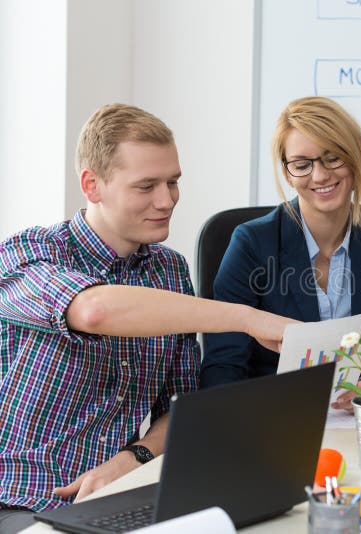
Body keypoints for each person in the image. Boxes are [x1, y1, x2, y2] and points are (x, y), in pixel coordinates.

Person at [0, 103, 294, 529]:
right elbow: (95, 310)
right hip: (20, 499)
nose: (167, 200)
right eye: (146, 186)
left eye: (173, 182)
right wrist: (248, 318)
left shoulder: (169, 271)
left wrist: (131, 458)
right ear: (92, 184)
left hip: (119, 492)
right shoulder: (26, 254)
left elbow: (181, 407)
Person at [199, 96, 361, 399]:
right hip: (274, 415)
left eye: (333, 157)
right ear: (287, 172)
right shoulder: (251, 243)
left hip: (357, 419)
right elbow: (222, 368)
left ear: (355, 157)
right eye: (302, 164)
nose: (321, 175)